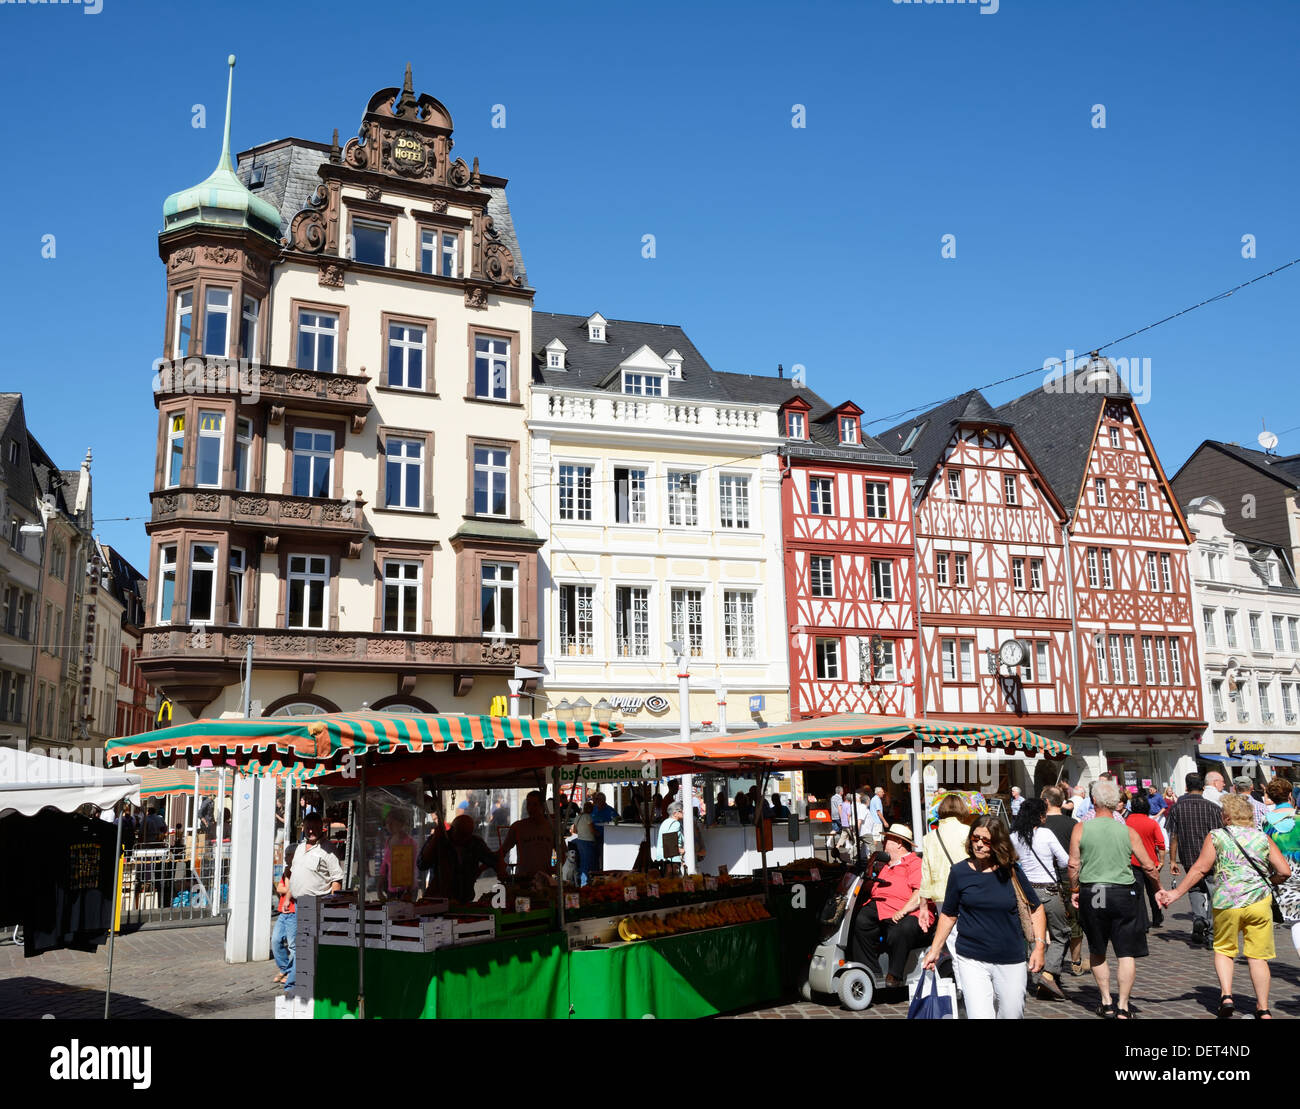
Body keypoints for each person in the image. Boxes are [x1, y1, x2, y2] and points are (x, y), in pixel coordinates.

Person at [1157, 793, 1291, 1019]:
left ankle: (1227, 996)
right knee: (1258, 956)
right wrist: (1269, 881)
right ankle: (1264, 1008)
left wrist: (1175, 893)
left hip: (1227, 902)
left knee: (1224, 950)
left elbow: (1200, 868)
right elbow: (1285, 871)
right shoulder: (1261, 837)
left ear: (1227, 817)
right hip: (1258, 902)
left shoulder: (1217, 836)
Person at [922, 816, 1046, 1020]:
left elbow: (1036, 909)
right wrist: (935, 950)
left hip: (1010, 958)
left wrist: (1039, 948)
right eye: (975, 838)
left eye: (986, 840)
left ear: (997, 843)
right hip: (971, 958)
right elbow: (949, 913)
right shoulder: (959, 872)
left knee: (1012, 1014)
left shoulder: (1011, 872)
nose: (979, 844)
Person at [1068, 778, 1161, 1019]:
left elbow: (1073, 864)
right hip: (1123, 892)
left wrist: (1075, 889)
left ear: (1094, 801)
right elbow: (1149, 866)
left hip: (1095, 891)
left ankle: (1106, 1001)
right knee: (1125, 952)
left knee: (1098, 949)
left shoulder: (1081, 828)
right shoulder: (1126, 830)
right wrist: (1158, 887)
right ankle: (1123, 1006)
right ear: (1115, 803)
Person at [849, 824, 931, 988]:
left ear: (899, 843)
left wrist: (903, 911)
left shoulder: (914, 862)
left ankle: (895, 974)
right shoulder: (885, 865)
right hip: (881, 905)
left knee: (902, 929)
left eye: (887, 839)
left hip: (909, 909)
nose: (884, 842)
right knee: (860, 919)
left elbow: (919, 893)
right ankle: (871, 971)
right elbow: (869, 888)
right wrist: (871, 865)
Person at [1009, 798, 1070, 1000]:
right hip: (1048, 890)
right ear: (1040, 816)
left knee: (1034, 936)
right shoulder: (1045, 833)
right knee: (1061, 933)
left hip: (1025, 893)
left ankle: (1037, 979)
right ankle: (1048, 973)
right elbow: (1065, 861)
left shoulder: (1014, 837)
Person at [1165, 772, 1225, 948]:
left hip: (1189, 857)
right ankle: (1212, 932)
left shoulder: (1177, 808)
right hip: (1212, 858)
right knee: (1215, 893)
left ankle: (1199, 918)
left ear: (1186, 787)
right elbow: (1220, 835)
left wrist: (1173, 860)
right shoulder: (1214, 808)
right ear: (1203, 787)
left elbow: (1173, 835)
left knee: (1195, 889)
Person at [918, 794, 970, 987]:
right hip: (968, 891)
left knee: (955, 943)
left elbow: (926, 873)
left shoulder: (930, 838)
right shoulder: (968, 832)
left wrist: (923, 905)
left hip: (942, 894)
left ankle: (963, 989)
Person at [1042, 786, 1085, 976]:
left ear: (1046, 802)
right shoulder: (1073, 824)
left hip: (1045, 878)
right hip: (1070, 876)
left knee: (1046, 921)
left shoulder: (1039, 825)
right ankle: (1076, 962)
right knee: (1075, 920)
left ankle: (1048, 961)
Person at [1262, 777, 1300, 957]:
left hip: (1282, 874)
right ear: (1290, 795)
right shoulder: (1298, 818)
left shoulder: (1265, 822)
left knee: (1296, 921)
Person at [423, 814, 499, 903]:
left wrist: (478, 870)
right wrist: (435, 839)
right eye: (461, 834)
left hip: (464, 898)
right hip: (437, 899)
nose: (464, 839)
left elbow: (493, 860)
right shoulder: (439, 840)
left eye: (467, 835)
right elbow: (422, 864)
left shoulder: (475, 843)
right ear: (452, 829)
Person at [1125, 793, 1166, 928]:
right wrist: (1161, 860)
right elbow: (1160, 844)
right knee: (1154, 890)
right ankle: (1157, 917)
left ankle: (1142, 922)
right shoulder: (1152, 823)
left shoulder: (1126, 822)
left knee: (1138, 894)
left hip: (1133, 862)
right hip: (1151, 861)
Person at [499, 790, 554, 881]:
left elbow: (563, 853)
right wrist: (501, 868)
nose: (531, 808)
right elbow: (503, 851)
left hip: (544, 879)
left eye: (535, 805)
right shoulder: (518, 827)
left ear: (543, 806)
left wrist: (555, 868)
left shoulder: (552, 827)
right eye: (529, 804)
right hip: (523, 879)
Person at [288, 816, 344, 902]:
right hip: (296, 903)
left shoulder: (329, 849)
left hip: (317, 904)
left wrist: (333, 904)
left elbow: (337, 879)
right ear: (303, 828)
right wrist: (287, 898)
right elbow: (294, 875)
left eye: (314, 828)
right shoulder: (299, 847)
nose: (311, 831)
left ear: (321, 828)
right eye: (308, 828)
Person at [378, 810, 418, 898]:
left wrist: (408, 890)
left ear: (401, 823)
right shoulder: (388, 841)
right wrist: (379, 890)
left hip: (407, 890)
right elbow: (384, 867)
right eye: (387, 823)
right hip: (391, 890)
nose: (389, 826)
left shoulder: (410, 842)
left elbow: (411, 868)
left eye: (392, 822)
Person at [272, 852, 295, 987]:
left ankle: (291, 973)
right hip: (283, 911)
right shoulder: (286, 872)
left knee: (292, 946)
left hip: (293, 911)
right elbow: (280, 889)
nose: (286, 858)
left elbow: (294, 888)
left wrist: (289, 887)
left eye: (288, 856)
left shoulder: (296, 871)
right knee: (275, 941)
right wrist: (289, 887)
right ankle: (285, 968)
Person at [570, 802, 598, 886]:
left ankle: (583, 883)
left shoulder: (578, 817)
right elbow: (592, 830)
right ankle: (584, 884)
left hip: (580, 841)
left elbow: (574, 830)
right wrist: (599, 834)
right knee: (587, 863)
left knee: (583, 863)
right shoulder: (588, 817)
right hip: (588, 842)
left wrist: (582, 831)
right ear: (589, 809)